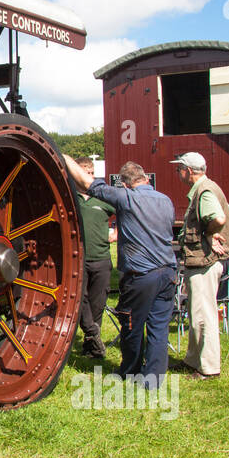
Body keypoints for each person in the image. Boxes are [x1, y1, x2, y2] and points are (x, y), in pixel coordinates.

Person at [64, 156, 177, 388]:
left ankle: (130, 371)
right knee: (158, 327)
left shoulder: (126, 198)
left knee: (132, 325)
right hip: (168, 272)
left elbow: (88, 184)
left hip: (141, 275)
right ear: (145, 178)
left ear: (124, 184)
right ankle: (154, 380)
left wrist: (65, 157)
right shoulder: (166, 200)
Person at [170, 152, 229, 380]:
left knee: (204, 315)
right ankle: (193, 359)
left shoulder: (204, 190)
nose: (178, 173)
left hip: (205, 261)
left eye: (179, 169)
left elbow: (220, 218)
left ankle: (208, 368)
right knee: (197, 312)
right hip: (203, 261)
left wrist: (209, 233)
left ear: (188, 171)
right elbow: (228, 211)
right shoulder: (209, 188)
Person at [74, 158, 116, 359]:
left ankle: (91, 348)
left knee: (97, 303)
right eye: (84, 172)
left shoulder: (103, 199)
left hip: (101, 258)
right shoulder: (71, 198)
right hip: (78, 259)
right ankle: (92, 333)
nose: (89, 176)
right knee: (79, 300)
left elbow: (127, 214)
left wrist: (117, 234)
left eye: (91, 172)